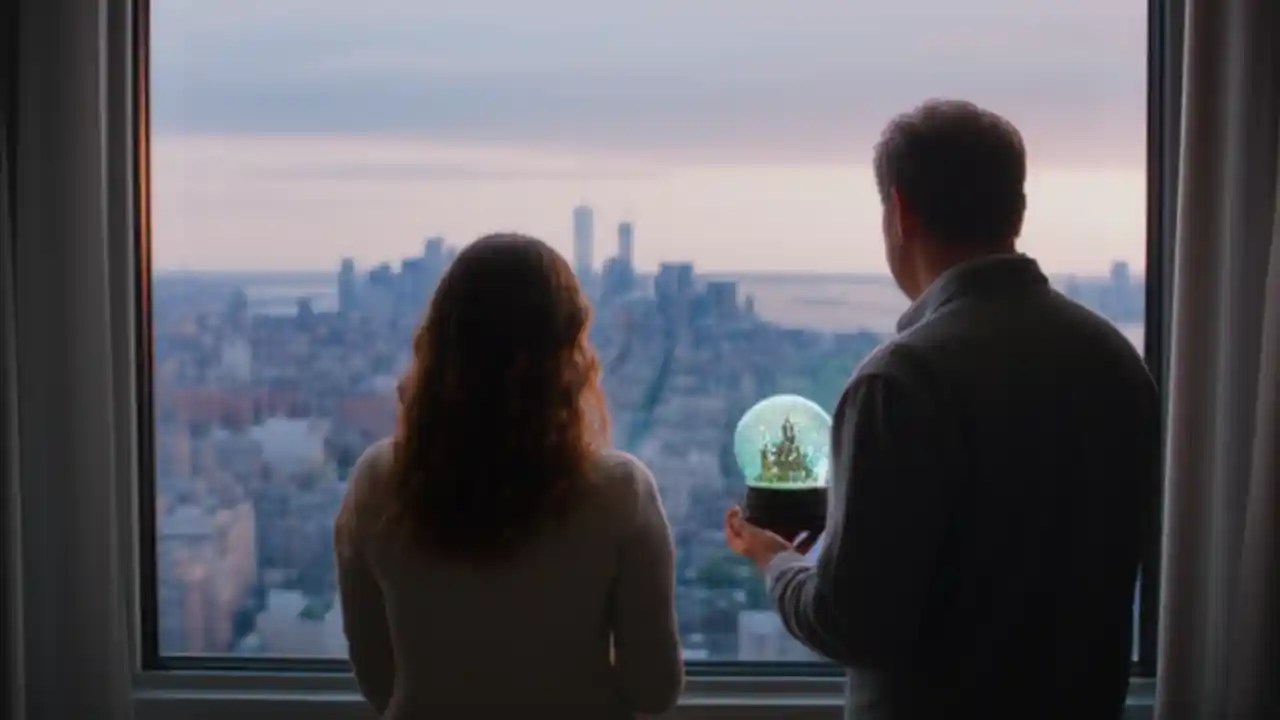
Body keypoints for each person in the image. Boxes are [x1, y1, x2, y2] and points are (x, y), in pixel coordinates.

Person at [725, 100, 1159, 719]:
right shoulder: (1114, 360)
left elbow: (851, 622)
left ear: (899, 212)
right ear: (1017, 209)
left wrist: (776, 560)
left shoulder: (899, 380)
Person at [336, 234, 683, 719]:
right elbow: (653, 690)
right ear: (568, 354)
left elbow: (377, 679)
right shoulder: (620, 492)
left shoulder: (377, 482)